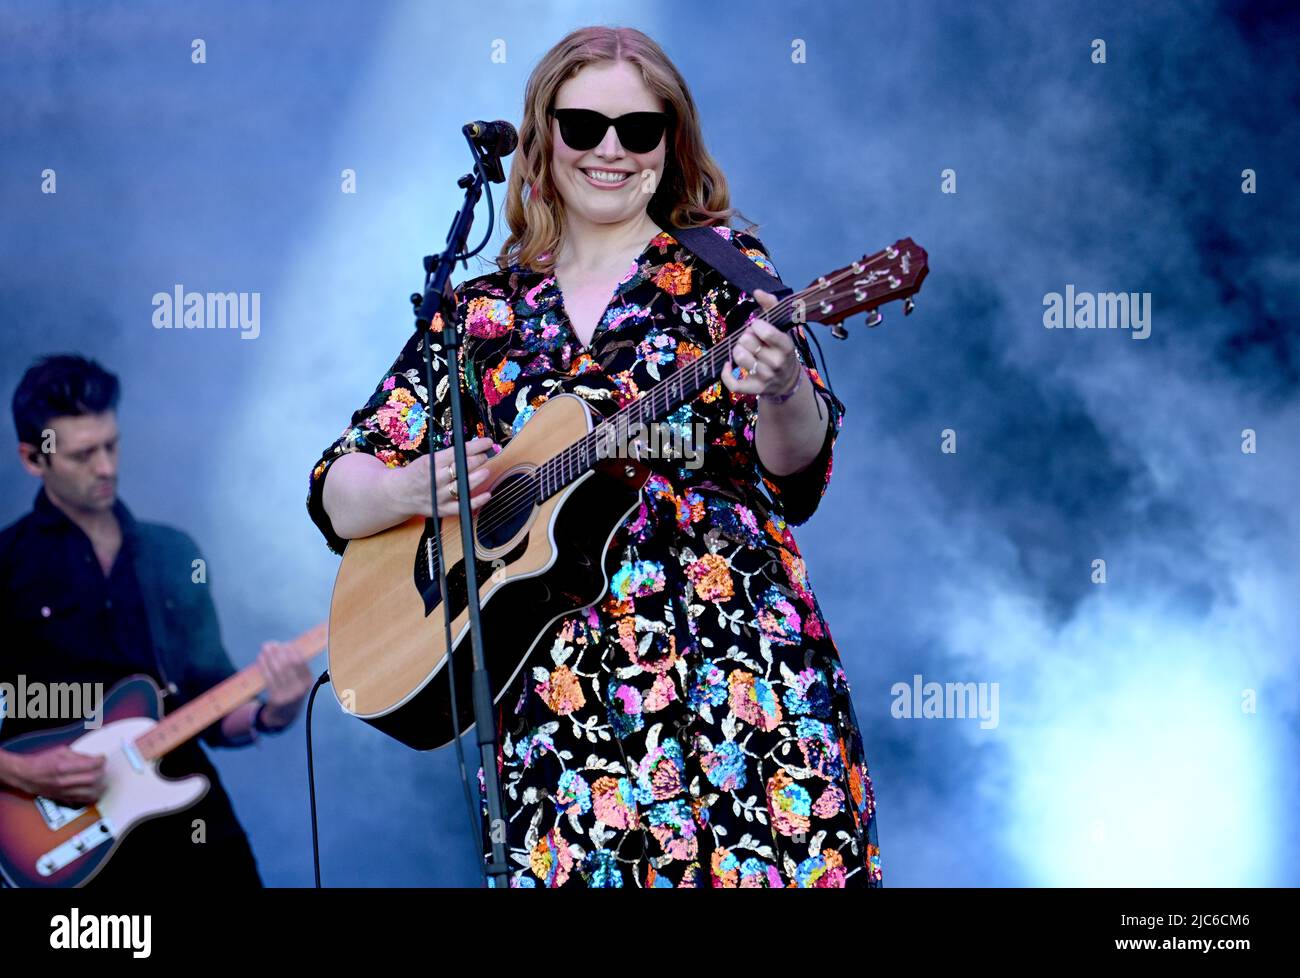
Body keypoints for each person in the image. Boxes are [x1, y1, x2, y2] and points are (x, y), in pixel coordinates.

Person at [307, 25, 881, 888]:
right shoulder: (478, 316)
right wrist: (401, 488)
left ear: (669, 145)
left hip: (732, 680)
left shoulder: (727, 273)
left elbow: (797, 473)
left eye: (637, 130)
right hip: (557, 707)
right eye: (583, 127)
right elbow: (339, 483)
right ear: (543, 140)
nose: (610, 149)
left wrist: (785, 384)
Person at [0, 354, 314, 887]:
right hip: (65, 840)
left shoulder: (172, 553)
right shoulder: (7, 565)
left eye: (111, 445)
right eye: (83, 454)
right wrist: (21, 771)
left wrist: (273, 713)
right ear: (34, 459)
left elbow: (210, 703)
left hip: (190, 827)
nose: (106, 468)